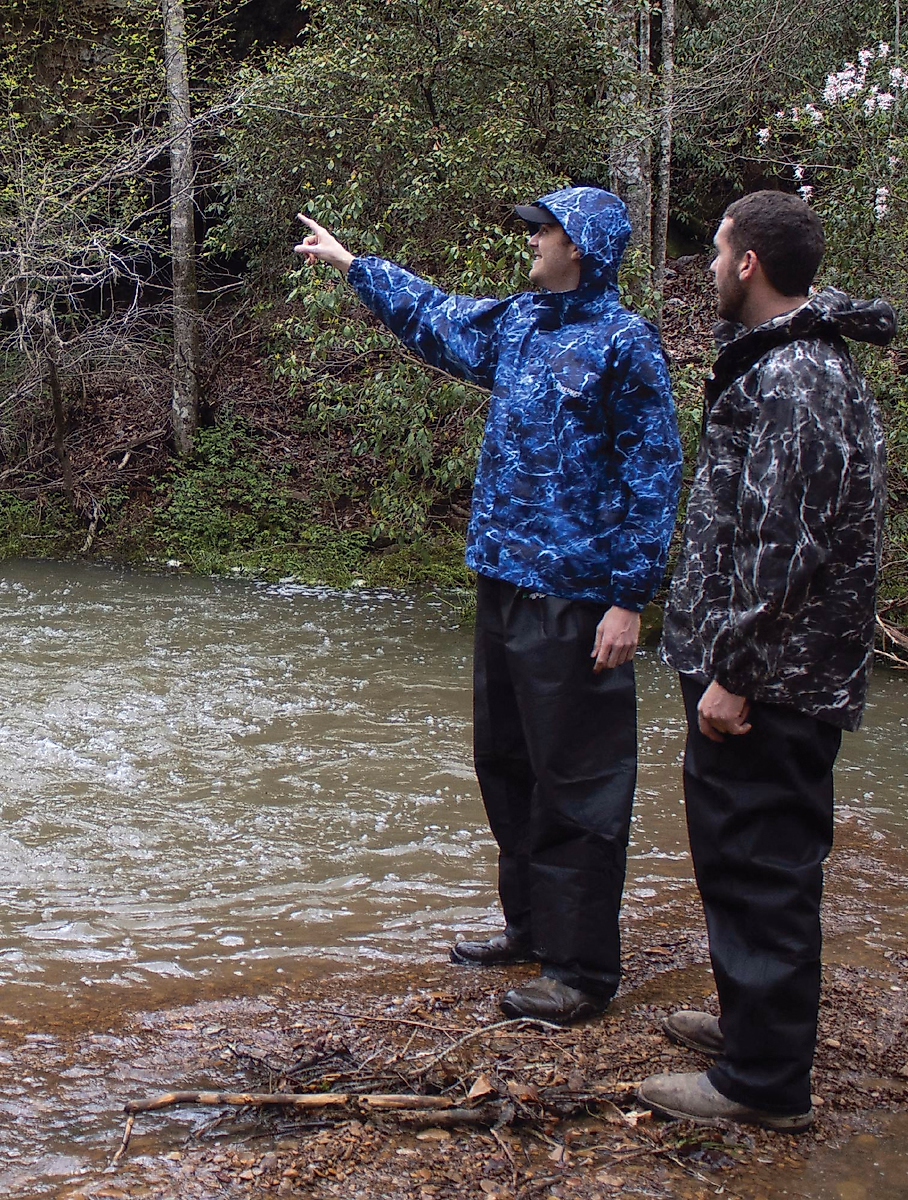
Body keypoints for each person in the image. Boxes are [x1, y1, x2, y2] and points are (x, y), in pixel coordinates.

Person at [293, 186, 682, 1025]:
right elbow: (436, 316)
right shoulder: (519, 323)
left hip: (579, 596)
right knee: (506, 764)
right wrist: (353, 264)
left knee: (579, 782)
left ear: (580, 246)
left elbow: (655, 478)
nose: (531, 241)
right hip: (502, 580)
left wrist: (629, 600)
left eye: (544, 231)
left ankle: (580, 971)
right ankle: (531, 929)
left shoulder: (626, 343)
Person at [636, 190, 896, 1127]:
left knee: (763, 867)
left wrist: (735, 674)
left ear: (748, 263)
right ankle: (750, 1028)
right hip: (761, 666)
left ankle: (764, 1084)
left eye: (717, 251)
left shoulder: (798, 378)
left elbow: (787, 543)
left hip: (775, 678)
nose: (709, 266)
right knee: (736, 855)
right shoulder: (784, 360)